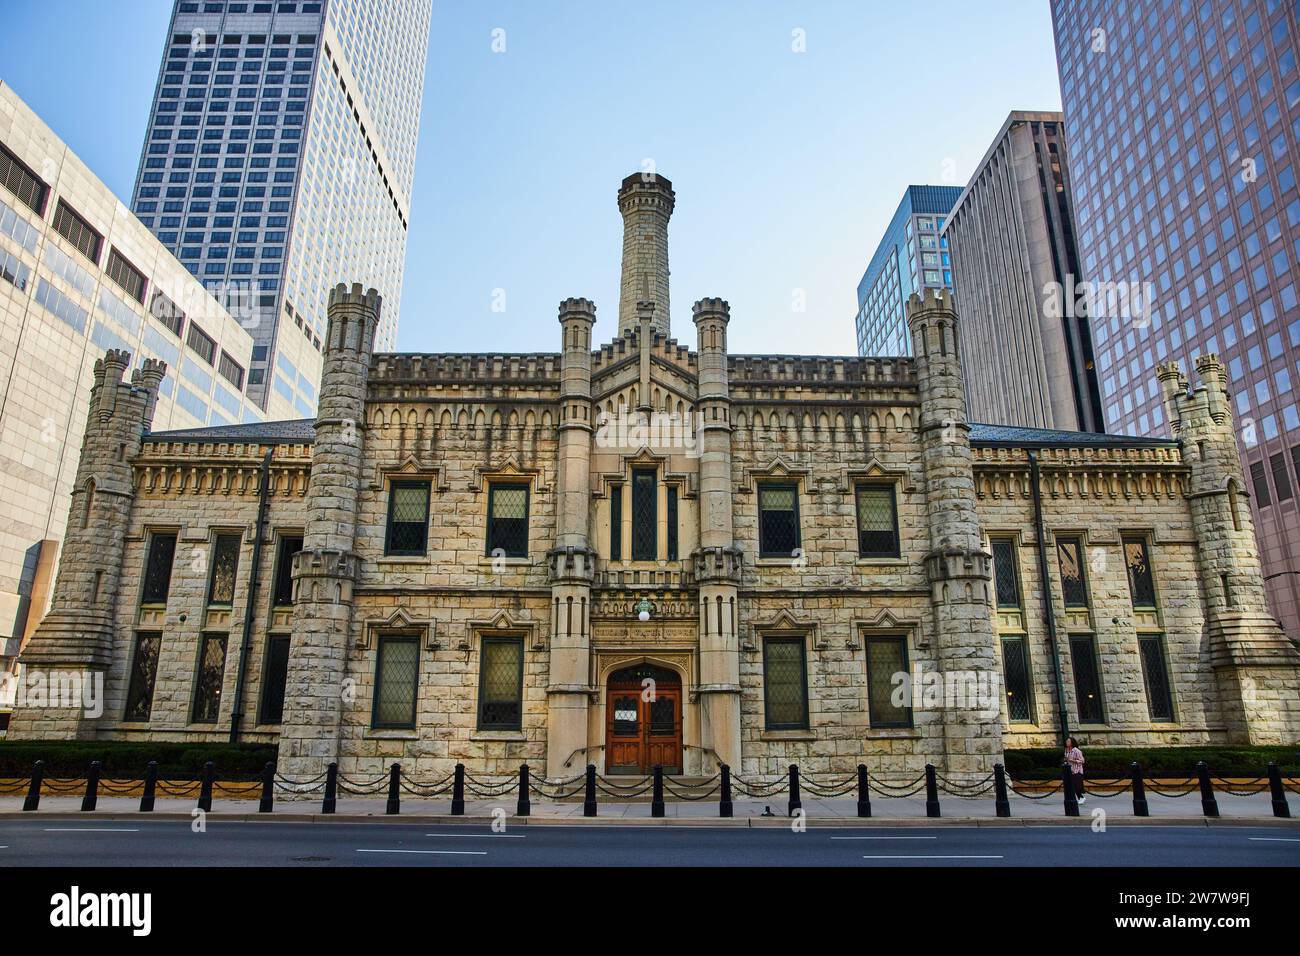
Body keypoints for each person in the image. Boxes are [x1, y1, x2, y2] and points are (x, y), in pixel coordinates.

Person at [1065, 736, 1085, 805]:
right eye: (1066, 741)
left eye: (1068, 741)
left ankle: (1081, 797)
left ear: (1072, 743)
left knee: (1077, 786)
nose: (1067, 742)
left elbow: (1082, 761)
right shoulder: (1067, 750)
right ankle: (1077, 798)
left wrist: (1073, 760)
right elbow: (1067, 759)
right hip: (1070, 770)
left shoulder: (1077, 751)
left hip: (1077, 771)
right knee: (1072, 786)